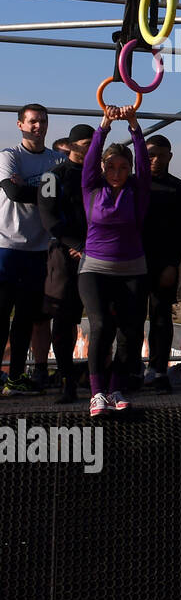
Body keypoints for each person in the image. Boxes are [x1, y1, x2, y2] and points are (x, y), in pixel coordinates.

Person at [79, 105, 151, 416]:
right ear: (103, 168)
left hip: (133, 268)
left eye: (123, 167)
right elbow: (91, 158)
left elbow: (145, 163)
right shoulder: (91, 188)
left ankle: (115, 388)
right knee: (100, 325)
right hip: (94, 268)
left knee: (130, 330)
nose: (117, 172)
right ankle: (97, 394)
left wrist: (134, 125)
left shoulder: (138, 189)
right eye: (111, 167)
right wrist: (105, 124)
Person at [0, 103, 61, 395]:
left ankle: (15, 379)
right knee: (2, 316)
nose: (39, 126)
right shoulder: (9, 157)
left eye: (43, 121)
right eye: (33, 121)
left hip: (38, 250)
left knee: (25, 318)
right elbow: (13, 192)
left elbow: (63, 198)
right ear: (20, 125)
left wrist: (32, 190)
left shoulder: (57, 160)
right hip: (6, 246)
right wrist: (46, 193)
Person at [38, 123, 95, 403]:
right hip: (64, 253)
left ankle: (102, 379)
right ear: (72, 146)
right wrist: (78, 245)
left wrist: (91, 247)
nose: (90, 149)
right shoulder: (53, 176)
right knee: (63, 320)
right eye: (85, 144)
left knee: (102, 318)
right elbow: (49, 219)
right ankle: (66, 379)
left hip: (98, 253)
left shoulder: (101, 174)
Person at [140, 135, 181, 393]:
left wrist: (174, 264)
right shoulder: (133, 183)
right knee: (131, 319)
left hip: (165, 263)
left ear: (169, 156)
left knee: (161, 318)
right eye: (150, 154)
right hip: (132, 262)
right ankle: (130, 370)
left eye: (160, 155)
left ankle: (158, 370)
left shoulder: (179, 188)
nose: (155, 160)